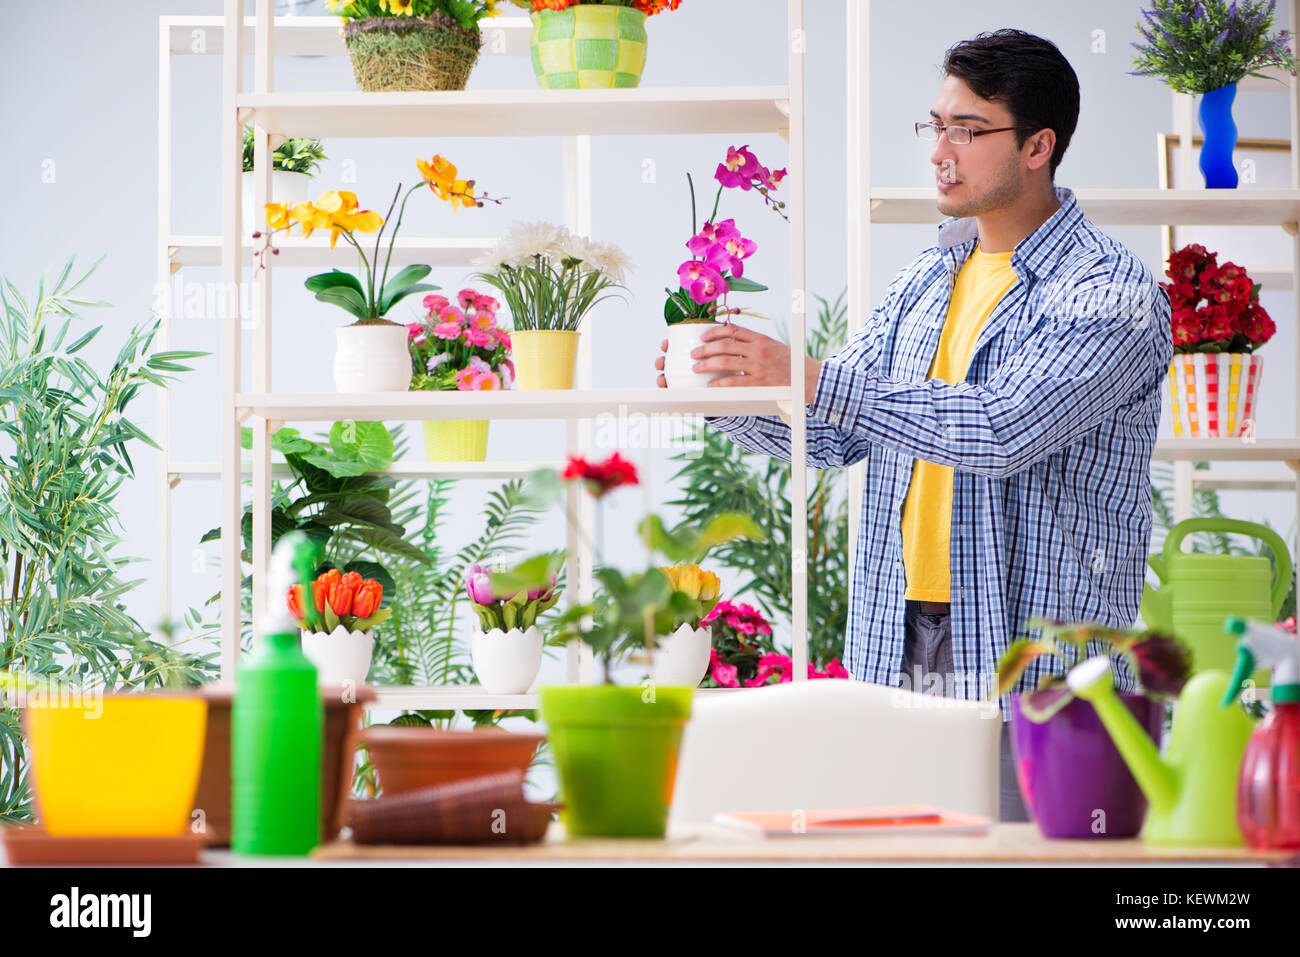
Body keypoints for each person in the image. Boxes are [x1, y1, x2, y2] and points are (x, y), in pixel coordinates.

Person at [653, 29, 1172, 822]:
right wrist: (728, 390)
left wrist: (812, 377)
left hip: (1038, 672)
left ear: (1039, 145)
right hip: (897, 643)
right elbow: (833, 433)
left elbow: (1000, 428)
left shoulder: (1110, 292)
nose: (940, 150)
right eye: (935, 125)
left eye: (967, 130)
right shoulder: (927, 278)